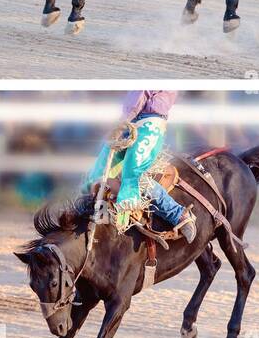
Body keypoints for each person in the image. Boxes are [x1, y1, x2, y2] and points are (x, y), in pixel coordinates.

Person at [83, 90, 196, 243]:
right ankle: (94, 212)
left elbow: (141, 93)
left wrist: (123, 121)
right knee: (98, 172)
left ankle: (178, 214)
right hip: (131, 120)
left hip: (149, 121)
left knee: (134, 176)